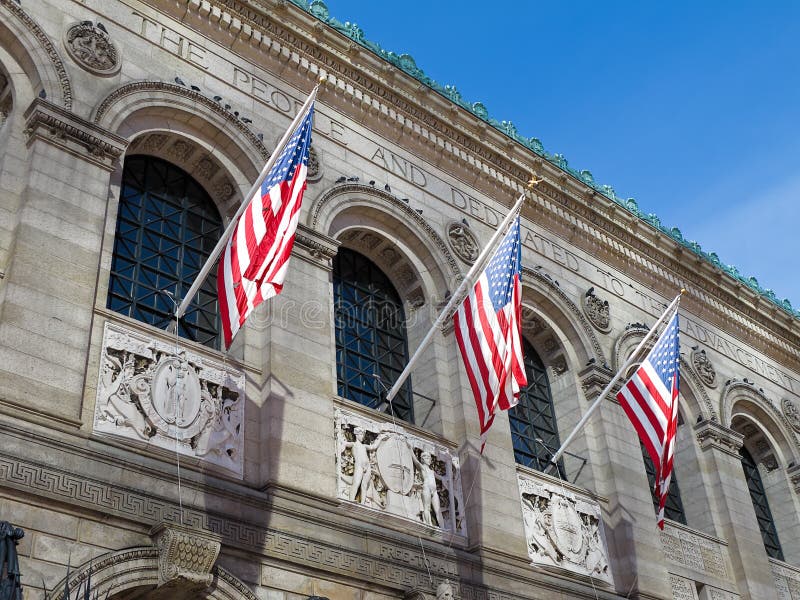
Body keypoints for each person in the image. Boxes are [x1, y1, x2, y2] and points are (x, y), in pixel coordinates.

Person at [410, 449, 444, 527]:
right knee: (427, 508)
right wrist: (410, 450)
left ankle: (443, 528)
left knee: (438, 510)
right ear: (422, 459)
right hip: (426, 488)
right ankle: (428, 525)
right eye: (427, 457)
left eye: (430, 457)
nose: (430, 459)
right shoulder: (422, 468)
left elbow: (440, 478)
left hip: (434, 491)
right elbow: (416, 461)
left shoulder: (431, 471)